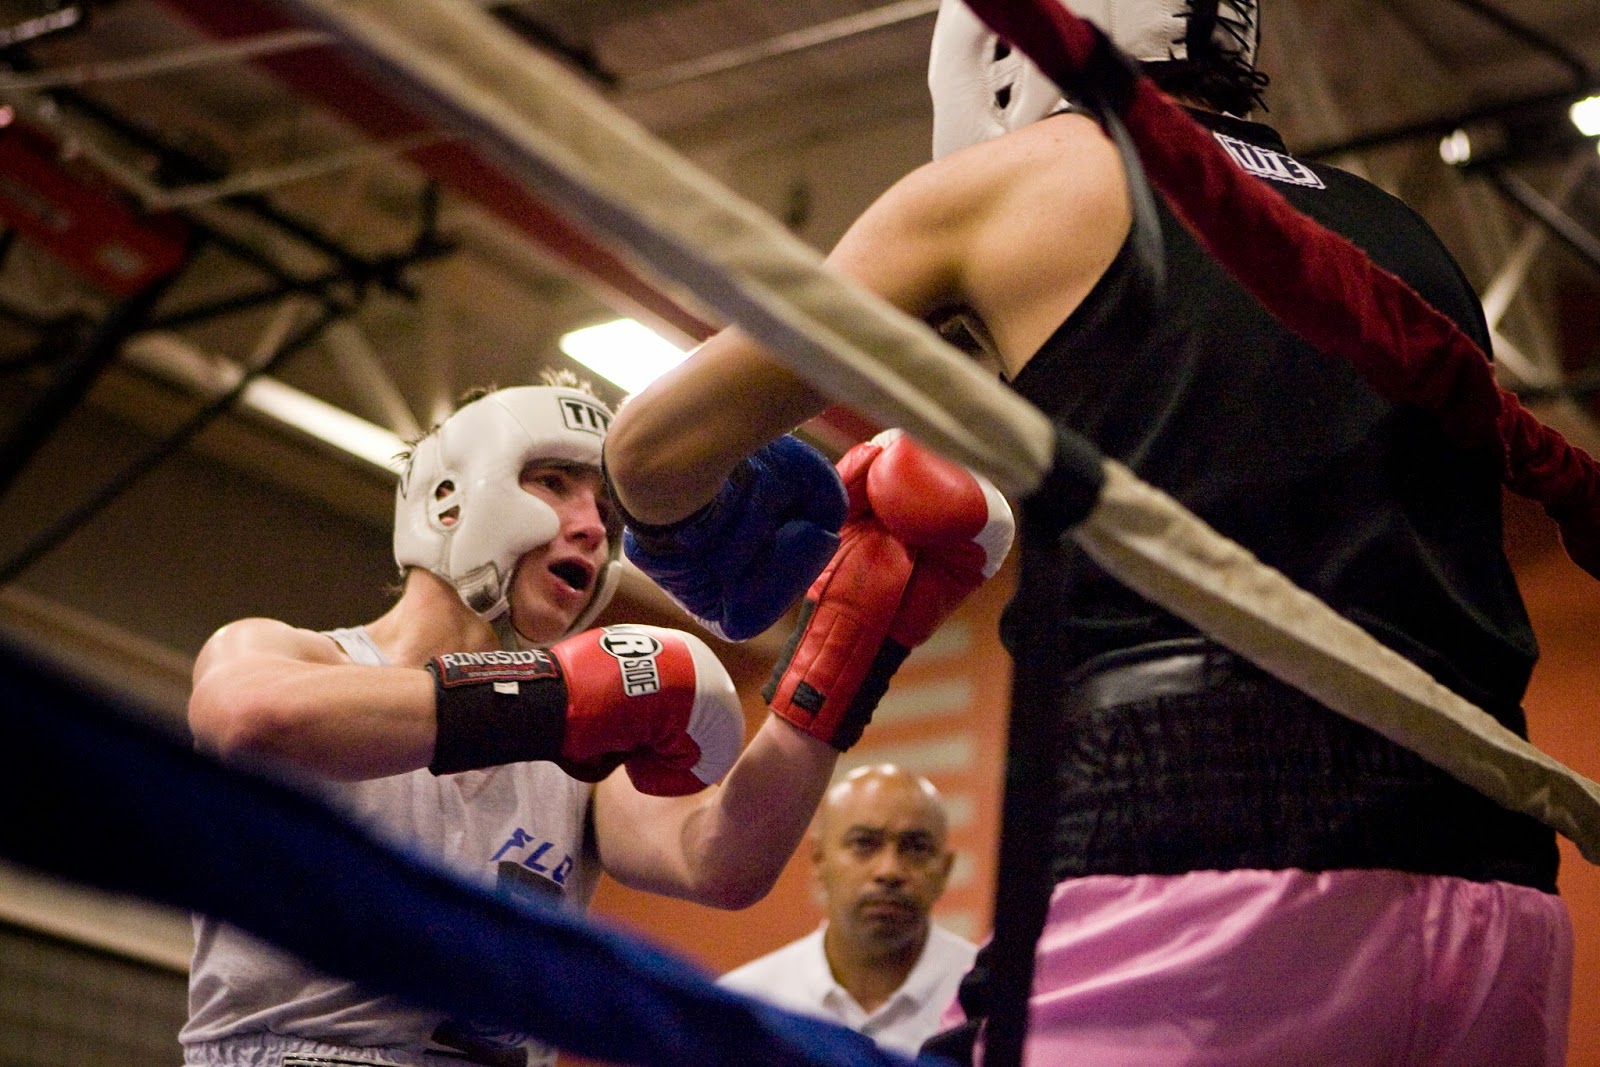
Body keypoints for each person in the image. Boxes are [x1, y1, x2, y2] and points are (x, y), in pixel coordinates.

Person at [602, 1, 1575, 1063]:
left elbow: (649, 454)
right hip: (1501, 892)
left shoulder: (1022, 182)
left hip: (1201, 865)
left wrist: (712, 529)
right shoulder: (1405, 236)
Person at [178, 376, 1009, 1067]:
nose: (589, 523)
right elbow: (248, 714)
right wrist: (547, 693)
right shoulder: (297, 654)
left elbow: (723, 857)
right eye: (553, 482)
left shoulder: (577, 752)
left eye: (605, 511)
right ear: (447, 497)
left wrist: (846, 647)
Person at [718, 765, 977, 1056]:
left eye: (916, 847)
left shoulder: (997, 1001)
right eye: (864, 843)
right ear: (818, 860)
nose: (889, 870)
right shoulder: (747, 1006)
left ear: (945, 870)